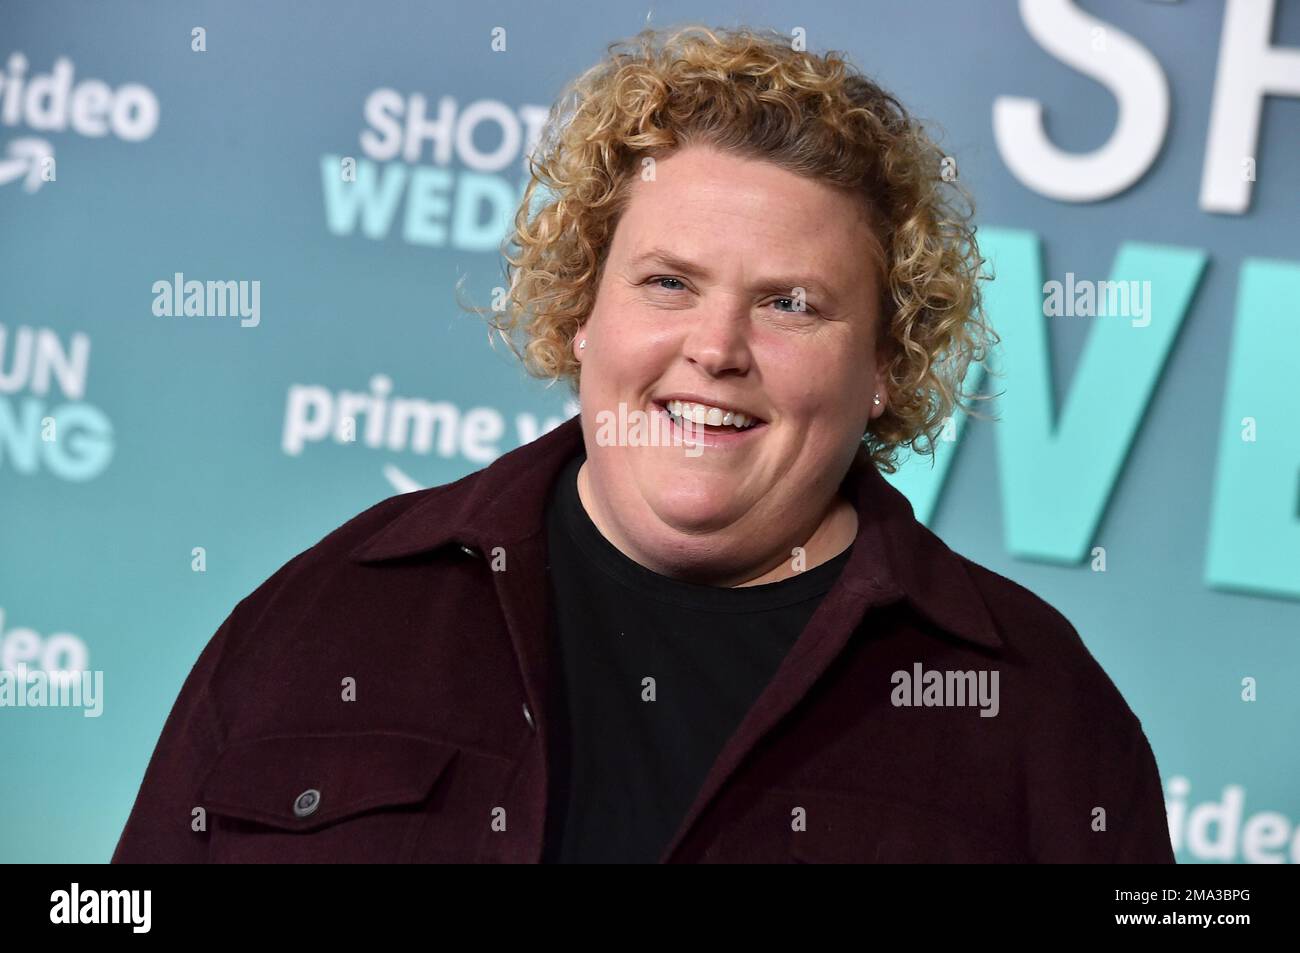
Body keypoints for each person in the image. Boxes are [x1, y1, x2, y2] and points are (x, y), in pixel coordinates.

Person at [111, 24, 1175, 863]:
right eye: (669, 282)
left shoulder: (1038, 717)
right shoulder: (325, 612)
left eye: (792, 304)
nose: (714, 348)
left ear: (886, 365)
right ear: (584, 307)